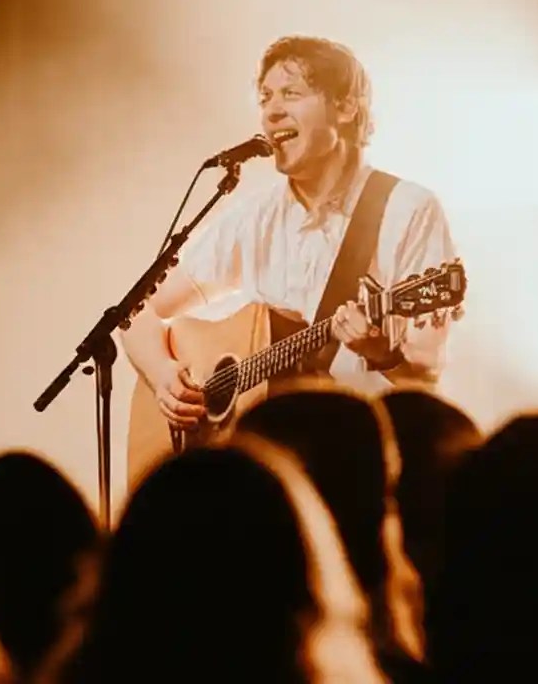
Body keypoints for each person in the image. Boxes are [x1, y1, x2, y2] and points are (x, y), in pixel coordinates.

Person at [121, 35, 459, 467]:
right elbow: (136, 315)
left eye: (291, 93)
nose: (271, 110)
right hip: (273, 468)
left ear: (346, 107)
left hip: (368, 460)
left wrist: (381, 352)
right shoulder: (253, 217)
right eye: (265, 97)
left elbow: (425, 373)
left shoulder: (407, 209)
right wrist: (165, 376)